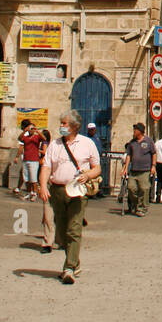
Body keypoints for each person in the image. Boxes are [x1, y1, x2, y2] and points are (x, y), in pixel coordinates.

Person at [40, 110, 101, 285]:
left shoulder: (87, 144)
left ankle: (69, 268)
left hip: (77, 191)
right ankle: (75, 262)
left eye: (64, 123)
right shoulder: (55, 145)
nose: (61, 126)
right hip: (58, 191)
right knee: (60, 233)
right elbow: (46, 167)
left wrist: (88, 175)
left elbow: (96, 168)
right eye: (61, 123)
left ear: (74, 126)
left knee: (74, 230)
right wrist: (43, 186)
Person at [122, 123, 157, 217]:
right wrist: (125, 168)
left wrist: (153, 166)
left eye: (135, 130)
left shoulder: (148, 141)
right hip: (134, 170)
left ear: (140, 131)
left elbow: (154, 153)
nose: (133, 132)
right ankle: (136, 204)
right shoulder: (132, 143)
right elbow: (129, 155)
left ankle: (142, 208)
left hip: (145, 170)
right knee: (131, 188)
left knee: (144, 189)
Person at [18, 120, 43, 201]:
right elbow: (20, 139)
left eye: (32, 128)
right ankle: (29, 193)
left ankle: (34, 193)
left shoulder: (36, 137)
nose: (31, 130)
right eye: (30, 128)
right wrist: (25, 131)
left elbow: (44, 138)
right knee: (26, 178)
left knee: (33, 179)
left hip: (34, 160)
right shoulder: (26, 137)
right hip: (26, 159)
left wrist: (38, 131)